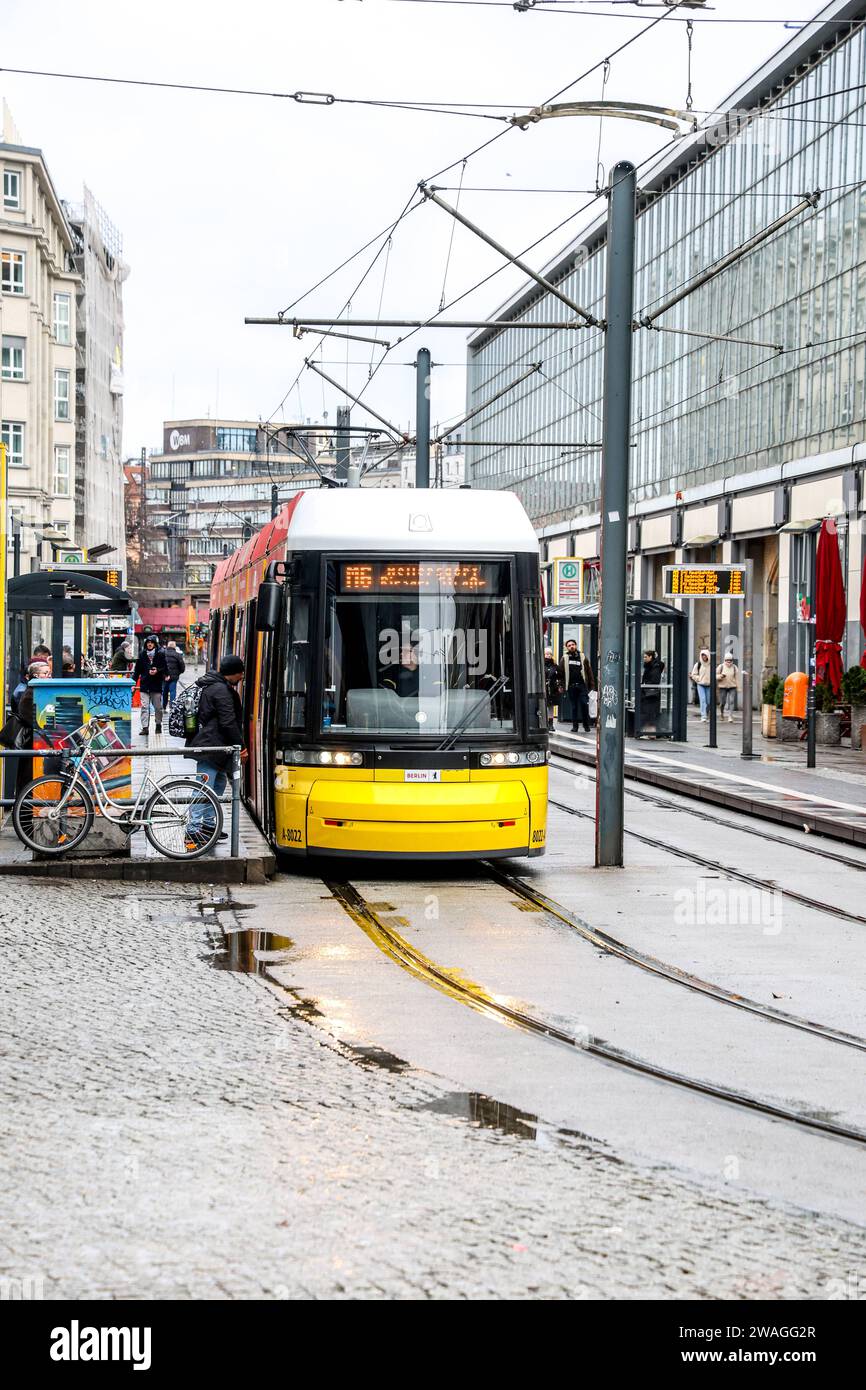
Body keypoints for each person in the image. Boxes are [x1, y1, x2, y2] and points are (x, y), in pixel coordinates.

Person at [187, 654, 247, 840]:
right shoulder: (220, 690)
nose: (242, 677)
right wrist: (242, 747)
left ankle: (208, 826)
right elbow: (228, 722)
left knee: (216, 787)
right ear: (234, 673)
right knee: (203, 788)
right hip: (211, 748)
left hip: (218, 748)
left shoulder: (217, 686)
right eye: (240, 673)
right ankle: (193, 828)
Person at [133, 635, 168, 736]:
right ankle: (145, 728)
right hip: (144, 685)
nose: (149, 644)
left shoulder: (160, 654)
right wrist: (133, 683)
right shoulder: (142, 655)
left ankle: (158, 724)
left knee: (158, 707)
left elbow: (165, 668)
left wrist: (158, 671)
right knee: (144, 707)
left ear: (155, 644)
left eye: (151, 642)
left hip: (156, 685)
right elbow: (137, 671)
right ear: (145, 644)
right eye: (148, 642)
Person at [558, 638, 591, 734]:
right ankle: (575, 726)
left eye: (573, 644)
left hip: (582, 686)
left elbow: (589, 671)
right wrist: (561, 685)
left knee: (584, 704)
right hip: (571, 686)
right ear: (567, 648)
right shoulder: (565, 658)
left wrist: (592, 686)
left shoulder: (582, 657)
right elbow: (561, 673)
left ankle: (586, 725)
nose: (571, 646)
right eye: (569, 645)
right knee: (574, 707)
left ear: (576, 645)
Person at [640, 649, 665, 732]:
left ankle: (652, 731)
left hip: (650, 693)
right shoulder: (649, 665)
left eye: (646, 657)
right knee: (647, 712)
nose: (644, 658)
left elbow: (654, 680)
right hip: (647, 692)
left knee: (650, 712)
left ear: (651, 657)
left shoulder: (655, 666)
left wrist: (645, 685)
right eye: (643, 657)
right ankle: (649, 730)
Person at [161, 639, 186, 709]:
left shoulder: (162, 654)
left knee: (164, 692)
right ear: (174, 647)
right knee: (172, 691)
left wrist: (163, 675)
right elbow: (182, 666)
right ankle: (172, 707)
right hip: (173, 677)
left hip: (164, 677)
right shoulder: (177, 655)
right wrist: (178, 673)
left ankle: (163, 706)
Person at [690, 647, 712, 722]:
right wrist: (698, 679)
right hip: (701, 685)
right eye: (702, 655)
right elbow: (693, 674)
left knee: (708, 701)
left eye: (705, 655)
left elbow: (715, 674)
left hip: (709, 685)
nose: (704, 657)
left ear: (708, 655)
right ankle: (703, 716)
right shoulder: (698, 664)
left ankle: (706, 712)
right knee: (703, 700)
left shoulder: (711, 664)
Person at [717, 653, 739, 722]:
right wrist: (721, 676)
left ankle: (730, 716)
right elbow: (715, 675)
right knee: (722, 702)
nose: (729, 662)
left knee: (731, 701)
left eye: (730, 660)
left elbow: (737, 678)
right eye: (727, 660)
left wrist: (739, 687)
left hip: (732, 686)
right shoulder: (721, 666)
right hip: (723, 687)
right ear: (724, 660)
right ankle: (721, 713)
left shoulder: (735, 667)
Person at [544, 646, 561, 731]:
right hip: (543, 687)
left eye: (550, 654)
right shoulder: (540, 664)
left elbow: (560, 676)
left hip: (552, 688)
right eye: (547, 654)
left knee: (550, 706)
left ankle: (550, 724)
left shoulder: (555, 665)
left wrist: (559, 685)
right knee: (543, 705)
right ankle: (544, 723)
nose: (548, 655)